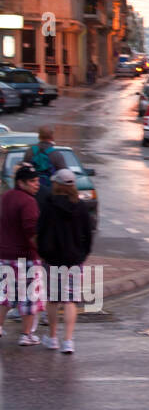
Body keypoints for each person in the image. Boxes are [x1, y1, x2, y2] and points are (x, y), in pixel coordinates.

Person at [36, 168, 94, 354]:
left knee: (53, 300)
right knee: (70, 301)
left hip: (52, 259)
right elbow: (88, 234)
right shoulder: (81, 207)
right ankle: (68, 341)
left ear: (57, 184)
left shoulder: (48, 205)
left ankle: (52, 338)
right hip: (74, 260)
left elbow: (40, 232)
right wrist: (82, 255)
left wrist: (43, 252)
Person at [0, 166, 45, 345]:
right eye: (33, 182)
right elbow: (31, 231)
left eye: (37, 181)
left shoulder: (4, 198)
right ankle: (26, 335)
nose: (37, 185)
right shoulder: (28, 202)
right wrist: (41, 252)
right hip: (25, 257)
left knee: (3, 295)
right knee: (29, 296)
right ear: (21, 183)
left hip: (4, 255)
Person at [24, 127, 67, 195]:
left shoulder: (30, 151)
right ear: (52, 137)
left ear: (39, 137)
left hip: (32, 191)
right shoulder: (56, 154)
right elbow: (64, 175)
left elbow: (24, 171)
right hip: (50, 192)